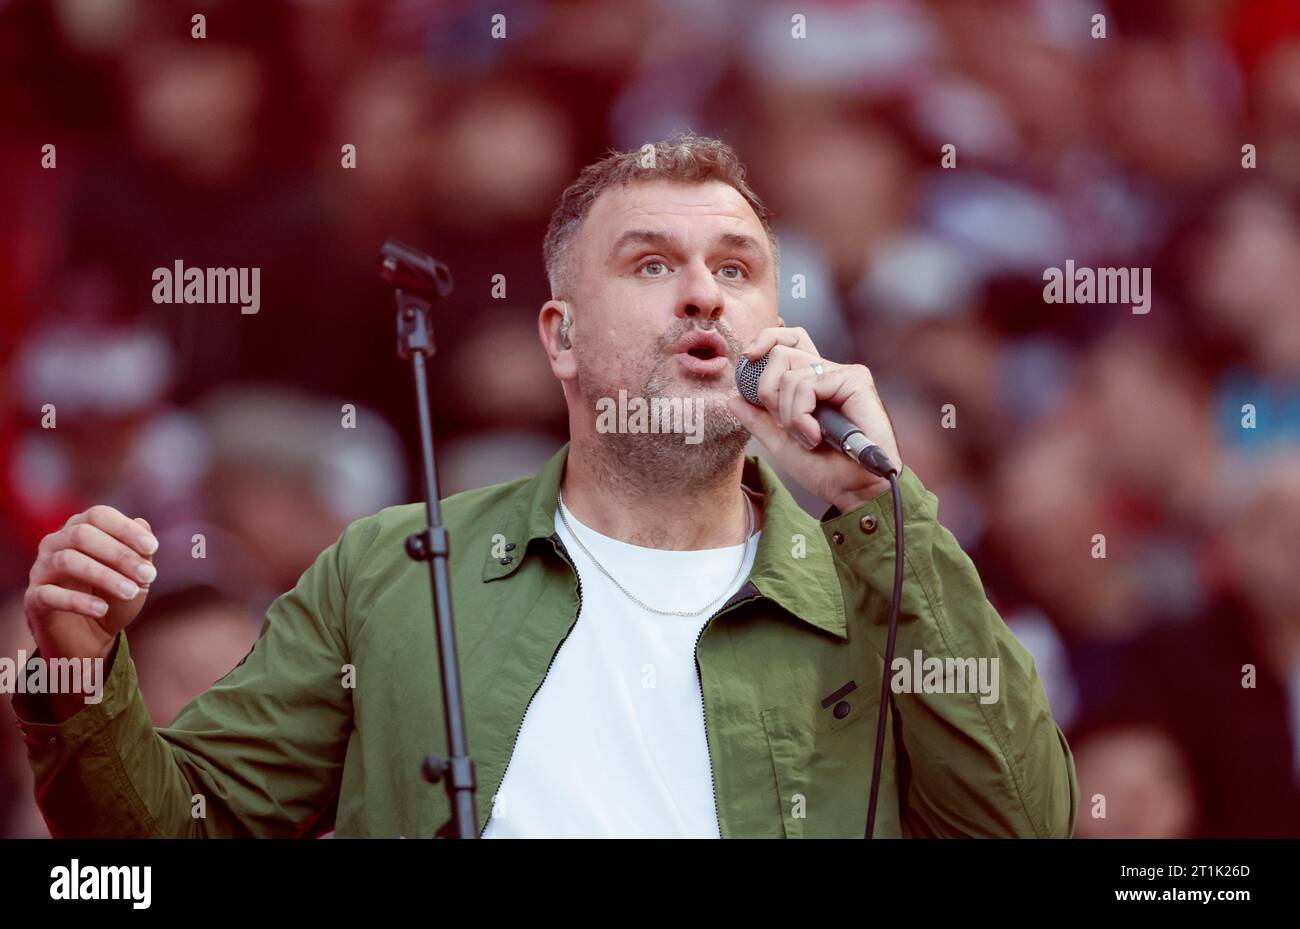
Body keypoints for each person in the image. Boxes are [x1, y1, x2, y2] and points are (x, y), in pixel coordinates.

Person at [13, 133, 1077, 838]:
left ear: (775, 330)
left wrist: (876, 510)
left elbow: (1022, 822)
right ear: (560, 340)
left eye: (739, 268)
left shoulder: (878, 581)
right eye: (652, 264)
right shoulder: (389, 568)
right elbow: (169, 841)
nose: (704, 290)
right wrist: (76, 673)